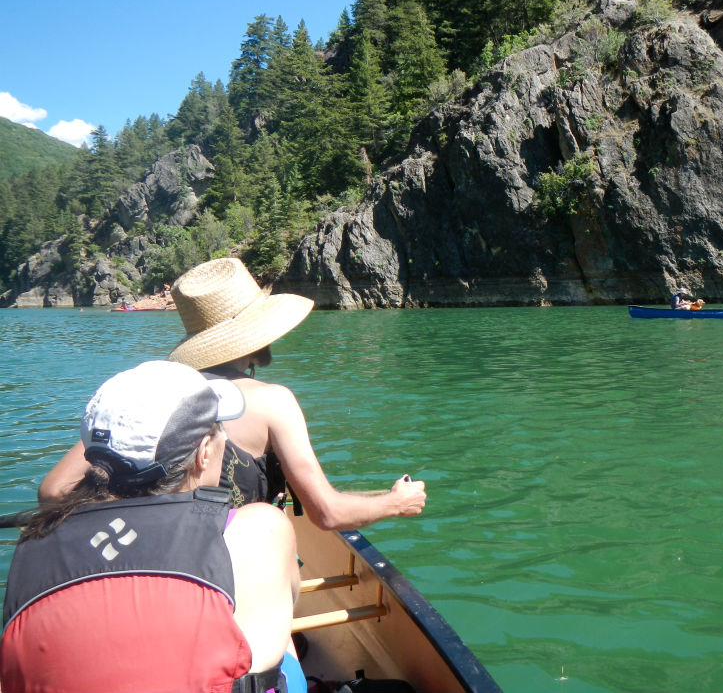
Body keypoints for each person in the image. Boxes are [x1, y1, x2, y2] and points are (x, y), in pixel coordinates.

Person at [40, 258, 427, 532]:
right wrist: (396, 502)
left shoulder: (146, 399)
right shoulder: (272, 401)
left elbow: (53, 492)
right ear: (257, 334)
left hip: (153, 560)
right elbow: (326, 514)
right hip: (234, 571)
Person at [3, 361, 303, 693]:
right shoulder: (260, 526)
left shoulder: (33, 541)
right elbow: (283, 607)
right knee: (285, 651)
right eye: (219, 431)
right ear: (204, 452)